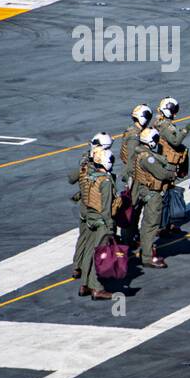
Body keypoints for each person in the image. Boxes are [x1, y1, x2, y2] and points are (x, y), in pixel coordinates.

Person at [130, 127, 178, 269]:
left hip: (144, 191)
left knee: (146, 224)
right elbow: (161, 174)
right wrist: (172, 173)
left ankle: (146, 250)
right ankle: (148, 256)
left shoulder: (141, 153)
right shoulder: (148, 158)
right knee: (151, 225)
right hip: (152, 193)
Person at [76, 146, 118, 300]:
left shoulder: (89, 176)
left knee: (88, 252)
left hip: (90, 218)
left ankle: (84, 284)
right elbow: (106, 207)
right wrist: (110, 226)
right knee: (100, 255)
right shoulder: (105, 181)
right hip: (101, 221)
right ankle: (97, 288)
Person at [69, 132, 113, 278]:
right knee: (94, 243)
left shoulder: (86, 162)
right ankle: (91, 275)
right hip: (95, 210)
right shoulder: (102, 168)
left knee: (83, 237)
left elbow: (71, 178)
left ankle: (77, 267)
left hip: (84, 205)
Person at [151, 97, 190, 235]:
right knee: (164, 196)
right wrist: (185, 130)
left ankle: (167, 223)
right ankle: (161, 226)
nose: (175, 114)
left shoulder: (162, 123)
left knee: (167, 194)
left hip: (168, 163)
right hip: (167, 164)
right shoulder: (165, 126)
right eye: (173, 111)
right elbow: (175, 140)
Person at [117, 104, 153, 249]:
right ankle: (127, 239)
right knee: (132, 208)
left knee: (135, 208)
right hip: (134, 176)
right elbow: (132, 158)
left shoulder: (133, 131)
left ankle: (130, 236)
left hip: (135, 174)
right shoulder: (135, 136)